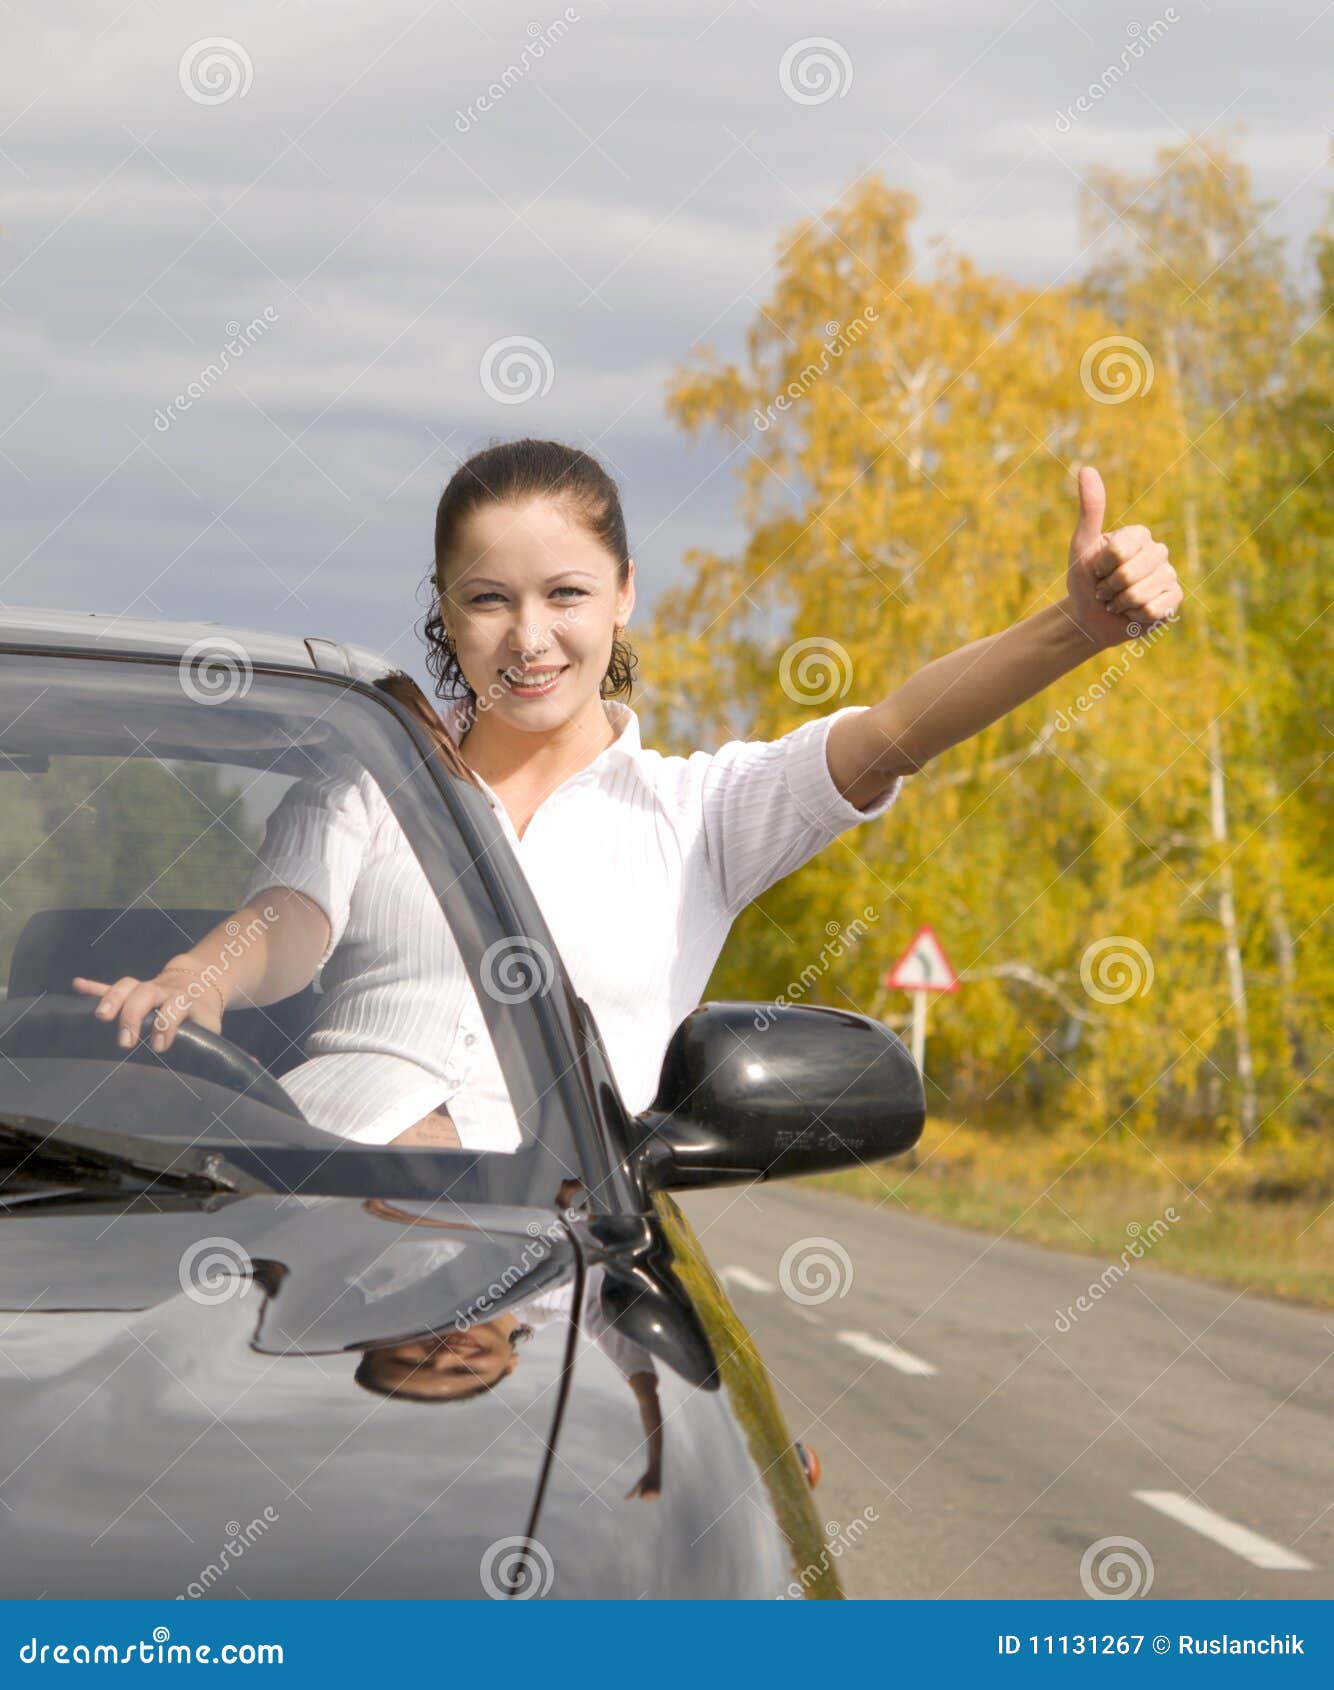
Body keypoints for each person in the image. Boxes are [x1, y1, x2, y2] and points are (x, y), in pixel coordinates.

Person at [72, 440, 1182, 1153]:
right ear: (448, 616)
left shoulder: (698, 816)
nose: (530, 636)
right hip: (312, 1207)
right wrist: (199, 975)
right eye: (488, 600)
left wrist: (1073, 631)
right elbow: (287, 926)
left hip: (565, 1260)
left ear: (623, 596)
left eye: (565, 593)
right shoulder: (371, 775)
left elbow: (892, 733)